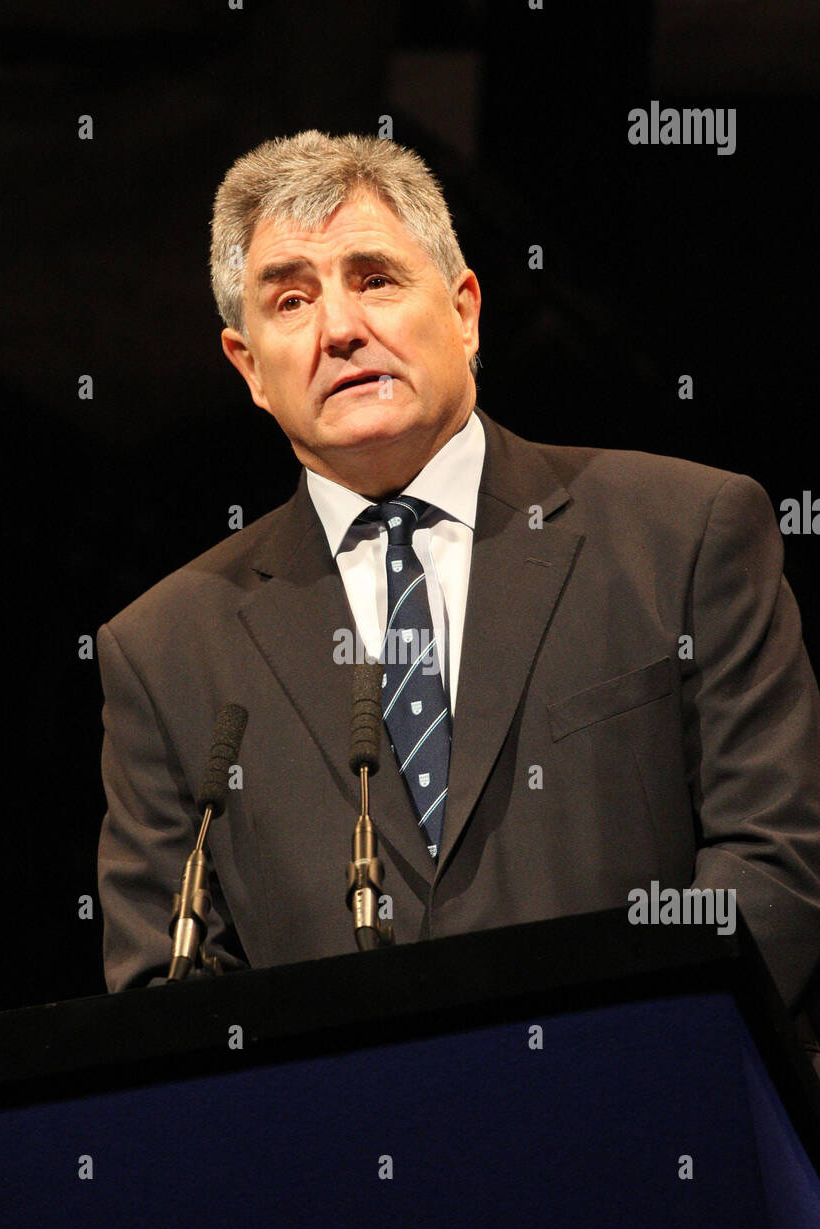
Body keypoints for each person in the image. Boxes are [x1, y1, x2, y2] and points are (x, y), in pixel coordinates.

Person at [97, 129, 820, 1032]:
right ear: (249, 367)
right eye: (290, 299)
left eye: (376, 279)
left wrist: (618, 1076)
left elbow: (777, 859)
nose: (340, 328)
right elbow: (168, 990)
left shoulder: (682, 532)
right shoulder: (164, 650)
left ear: (467, 310)